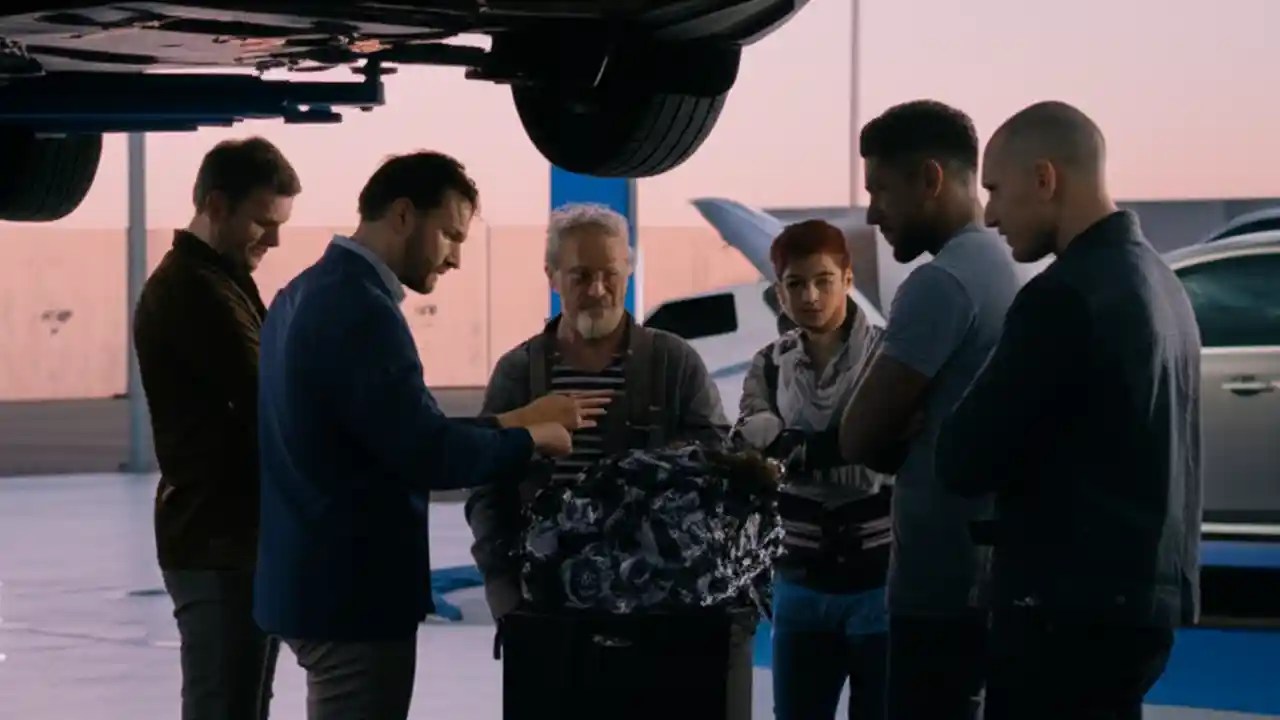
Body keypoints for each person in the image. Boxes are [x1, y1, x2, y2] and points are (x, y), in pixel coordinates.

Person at [253, 152, 607, 720]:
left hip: (307, 585)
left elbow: (392, 432)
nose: (457, 258)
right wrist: (531, 440)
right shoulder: (361, 311)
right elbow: (429, 455)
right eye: (449, 234)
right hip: (355, 602)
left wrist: (514, 420)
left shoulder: (300, 294)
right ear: (401, 215)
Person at [937, 101, 1202, 720]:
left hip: (1061, 616)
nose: (991, 214)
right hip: (1139, 606)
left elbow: (965, 458)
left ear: (1045, 178)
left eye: (997, 190)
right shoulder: (1164, 284)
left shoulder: (1063, 297)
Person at [463, 202, 746, 716]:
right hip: (550, 619)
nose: (596, 289)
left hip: (660, 621)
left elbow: (717, 468)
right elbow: (487, 488)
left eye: (609, 274)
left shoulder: (673, 362)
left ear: (628, 271)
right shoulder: (518, 373)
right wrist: (504, 593)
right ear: (551, 275)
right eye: (580, 275)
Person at [836, 99, 1021, 719]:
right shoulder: (1001, 266)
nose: (872, 212)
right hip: (982, 572)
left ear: (931, 179)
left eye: (881, 189)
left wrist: (889, 434)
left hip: (938, 583)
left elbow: (857, 437)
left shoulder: (942, 283)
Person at [132, 136, 300, 720]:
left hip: (229, 537)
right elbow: (269, 399)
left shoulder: (219, 278)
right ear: (217, 205)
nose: (274, 239)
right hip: (214, 542)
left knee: (240, 702)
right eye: (264, 221)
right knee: (225, 704)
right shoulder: (194, 290)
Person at [731, 219, 892, 720]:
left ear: (847, 279)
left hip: (878, 578)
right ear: (778, 291)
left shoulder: (889, 355)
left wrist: (792, 448)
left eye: (823, 280)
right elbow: (750, 437)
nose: (811, 296)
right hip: (799, 579)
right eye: (795, 284)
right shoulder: (771, 363)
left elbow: (880, 450)